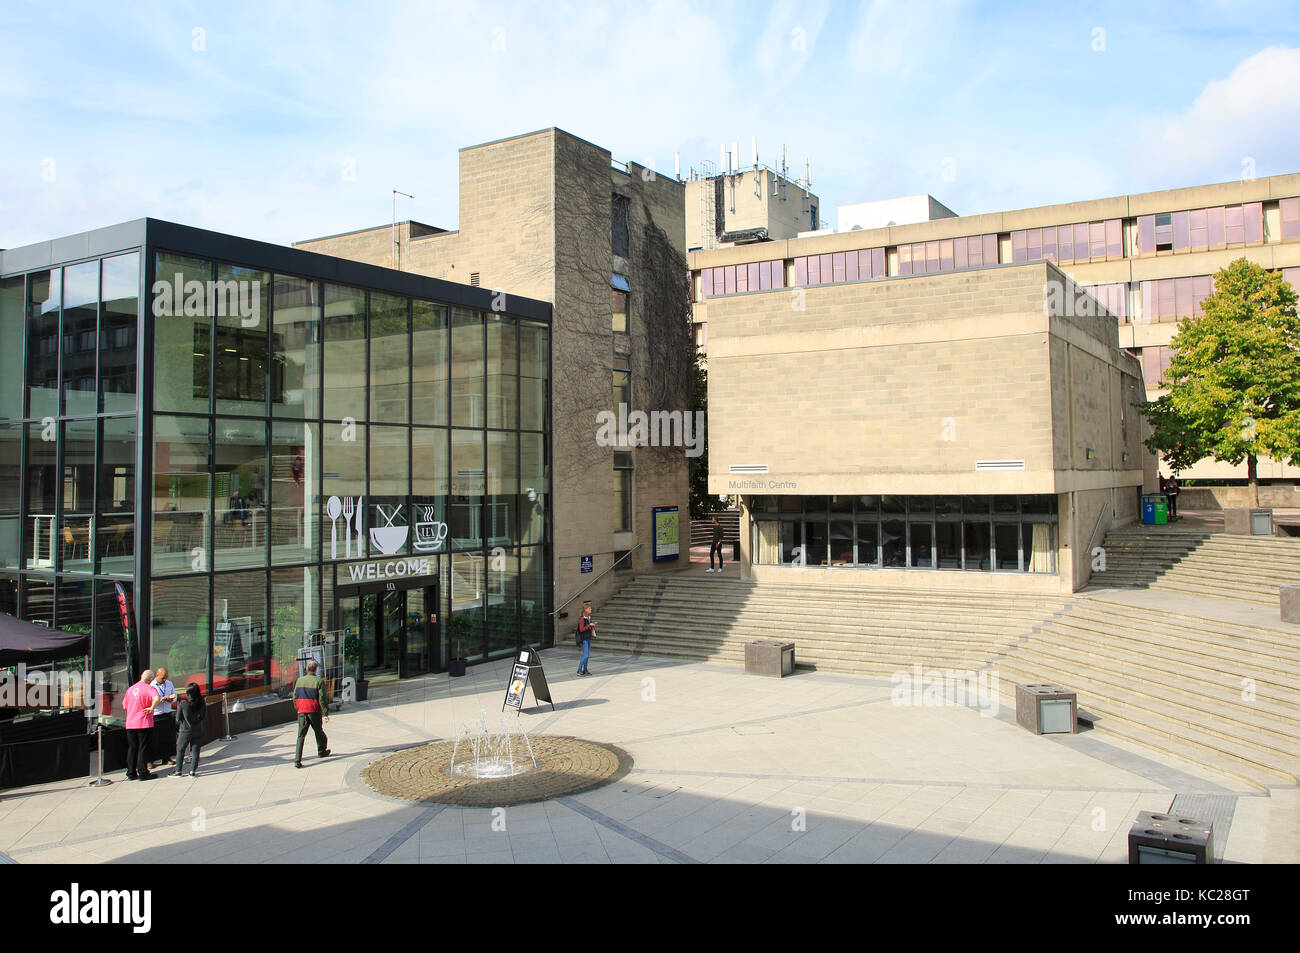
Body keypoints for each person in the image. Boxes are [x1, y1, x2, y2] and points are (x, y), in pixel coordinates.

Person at [293, 660, 331, 768]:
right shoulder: (318, 681)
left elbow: (295, 696)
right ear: (315, 669)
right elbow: (322, 698)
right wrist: (325, 714)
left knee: (300, 736)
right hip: (314, 711)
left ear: (306, 669)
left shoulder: (299, 680)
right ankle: (321, 751)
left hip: (302, 711)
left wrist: (298, 708)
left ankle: (297, 760)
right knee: (319, 732)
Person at [123, 670, 160, 781]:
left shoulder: (130, 689)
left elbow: (125, 706)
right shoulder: (150, 688)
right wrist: (151, 707)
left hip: (130, 723)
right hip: (143, 722)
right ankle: (143, 772)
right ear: (150, 679)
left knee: (132, 748)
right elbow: (157, 698)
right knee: (143, 748)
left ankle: (130, 772)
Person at [173, 683, 205, 778]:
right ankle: (192, 771)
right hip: (198, 729)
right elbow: (203, 716)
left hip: (185, 730)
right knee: (195, 751)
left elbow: (178, 719)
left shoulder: (183, 703)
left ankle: (178, 771)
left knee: (180, 750)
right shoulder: (201, 702)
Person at [149, 667, 177, 769]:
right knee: (154, 738)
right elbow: (149, 699)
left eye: (165, 678)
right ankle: (150, 760)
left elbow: (175, 695)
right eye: (162, 678)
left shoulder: (169, 683)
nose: (164, 680)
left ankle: (166, 757)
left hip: (167, 712)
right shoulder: (151, 685)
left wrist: (172, 699)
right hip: (156, 714)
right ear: (157, 675)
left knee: (167, 737)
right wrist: (160, 700)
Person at [576, 603, 596, 676]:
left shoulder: (588, 618)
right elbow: (581, 629)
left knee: (587, 655)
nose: (591, 609)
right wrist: (589, 625)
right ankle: (579, 669)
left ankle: (585, 669)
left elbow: (588, 628)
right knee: (586, 655)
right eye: (589, 608)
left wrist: (592, 625)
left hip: (588, 638)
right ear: (586, 610)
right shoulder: (582, 619)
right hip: (584, 639)